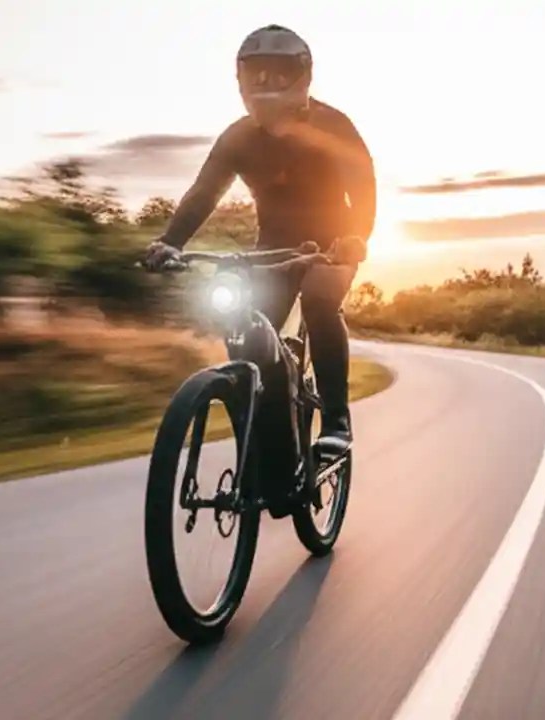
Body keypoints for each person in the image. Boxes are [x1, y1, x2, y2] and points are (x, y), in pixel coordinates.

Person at [144, 24, 376, 452]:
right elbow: (203, 193)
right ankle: (264, 426)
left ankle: (337, 420)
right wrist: (171, 241)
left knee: (320, 301)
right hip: (273, 245)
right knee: (248, 325)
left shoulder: (333, 125)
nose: (267, 82)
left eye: (279, 72)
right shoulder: (238, 137)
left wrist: (355, 236)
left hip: (332, 242)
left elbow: (363, 186)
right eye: (258, 74)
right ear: (242, 79)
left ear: (302, 75)